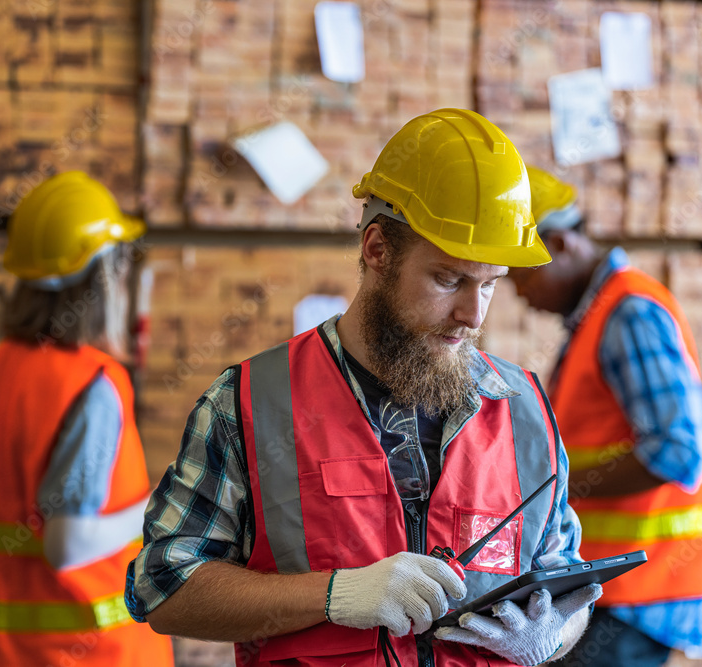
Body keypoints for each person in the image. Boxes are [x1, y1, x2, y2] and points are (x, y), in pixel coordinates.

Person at [124, 109, 601, 667]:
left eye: (490, 284)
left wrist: (551, 636)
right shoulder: (253, 404)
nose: (473, 314)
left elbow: (564, 582)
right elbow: (164, 588)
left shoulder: (523, 412)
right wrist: (333, 596)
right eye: (448, 279)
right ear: (377, 250)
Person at [509, 166, 702, 666]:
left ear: (562, 245)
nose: (520, 294)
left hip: (639, 591)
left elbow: (679, 453)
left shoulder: (629, 313)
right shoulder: (597, 317)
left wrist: (551, 487)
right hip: (614, 586)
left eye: (522, 275)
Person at [0, 172, 174, 666]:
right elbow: (68, 544)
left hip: (12, 653)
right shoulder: (91, 385)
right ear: (104, 277)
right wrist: (153, 510)